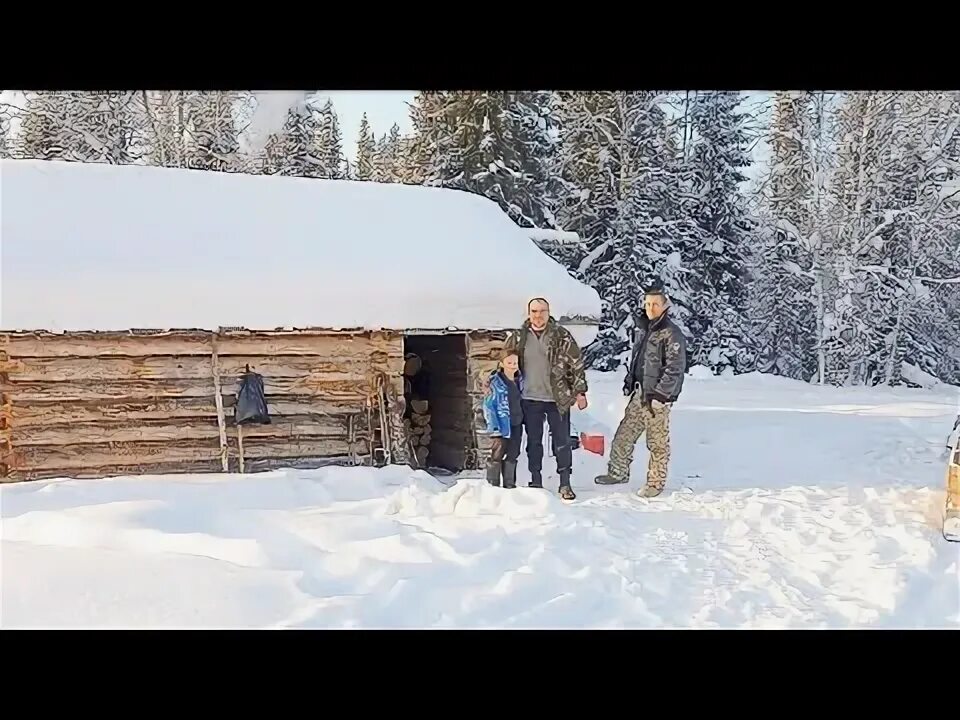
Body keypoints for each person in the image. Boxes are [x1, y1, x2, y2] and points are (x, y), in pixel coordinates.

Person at [595, 283, 686, 497]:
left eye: (655, 304)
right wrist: (630, 381)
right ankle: (617, 472)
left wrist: (662, 395)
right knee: (624, 434)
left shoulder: (670, 333)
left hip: (657, 398)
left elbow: (675, 368)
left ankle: (655, 483)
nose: (651, 308)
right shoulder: (643, 328)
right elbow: (638, 360)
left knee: (657, 443)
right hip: (640, 393)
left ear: (665, 306)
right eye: (647, 303)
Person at [503, 297, 588, 502]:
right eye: (534, 311)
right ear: (528, 313)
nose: (538, 315)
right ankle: (536, 480)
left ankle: (565, 483)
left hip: (557, 398)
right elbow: (505, 363)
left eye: (542, 311)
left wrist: (580, 392)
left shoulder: (561, 336)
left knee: (562, 442)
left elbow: (576, 363)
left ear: (549, 312)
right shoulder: (518, 337)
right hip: (529, 398)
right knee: (534, 442)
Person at [482, 352, 524, 488]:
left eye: (515, 363)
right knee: (497, 454)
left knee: (513, 453)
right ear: (502, 364)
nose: (513, 366)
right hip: (501, 424)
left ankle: (509, 484)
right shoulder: (495, 383)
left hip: (516, 422)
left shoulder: (521, 381)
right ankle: (492, 485)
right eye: (509, 363)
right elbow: (489, 406)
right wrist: (494, 428)